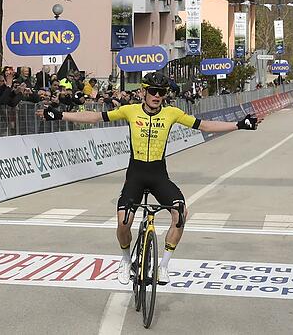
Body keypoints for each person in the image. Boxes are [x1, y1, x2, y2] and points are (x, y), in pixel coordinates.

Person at [38, 71, 261, 286]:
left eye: (161, 92)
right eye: (153, 91)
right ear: (144, 92)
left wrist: (239, 125)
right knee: (123, 221)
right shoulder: (130, 111)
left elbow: (204, 125)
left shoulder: (172, 113)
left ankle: (164, 265)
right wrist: (60, 114)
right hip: (135, 174)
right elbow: (96, 117)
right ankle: (125, 259)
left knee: (181, 213)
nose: (157, 96)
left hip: (158, 175)